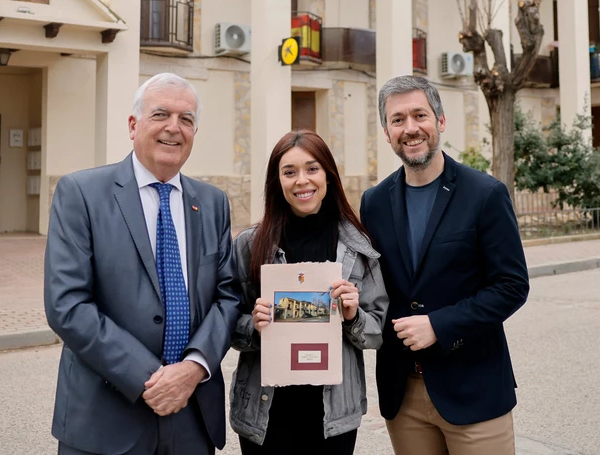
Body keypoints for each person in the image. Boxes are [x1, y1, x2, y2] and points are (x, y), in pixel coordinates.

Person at [44, 73, 241, 455]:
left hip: (192, 418)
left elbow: (227, 296)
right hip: (106, 420)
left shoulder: (212, 202)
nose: (174, 127)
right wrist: (151, 378)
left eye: (186, 119)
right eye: (161, 114)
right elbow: (67, 305)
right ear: (133, 125)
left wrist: (193, 369)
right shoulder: (81, 194)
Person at [360, 76, 530, 455]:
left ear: (440, 120)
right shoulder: (374, 202)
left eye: (419, 115)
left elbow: (512, 286)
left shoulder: (485, 194)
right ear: (387, 132)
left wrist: (439, 325)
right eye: (398, 119)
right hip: (402, 394)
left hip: (474, 390)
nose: (410, 128)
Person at [230, 130, 388, 454]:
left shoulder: (356, 247)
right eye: (289, 172)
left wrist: (352, 316)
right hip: (266, 412)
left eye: (312, 168)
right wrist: (254, 326)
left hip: (332, 416)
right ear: (277, 181)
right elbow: (227, 323)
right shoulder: (249, 245)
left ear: (328, 175)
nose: (302, 180)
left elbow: (376, 331)